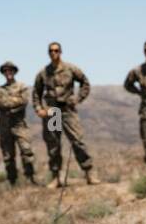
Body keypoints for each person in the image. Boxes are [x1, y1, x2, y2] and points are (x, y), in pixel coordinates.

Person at [32, 42, 99, 187]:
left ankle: (89, 172)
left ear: (61, 52)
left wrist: (77, 98)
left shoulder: (70, 69)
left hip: (67, 110)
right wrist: (39, 109)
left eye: (56, 50)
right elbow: (36, 93)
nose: (53, 53)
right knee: (54, 145)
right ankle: (56, 177)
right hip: (53, 112)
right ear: (48, 53)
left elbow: (85, 83)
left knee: (78, 141)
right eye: (51, 51)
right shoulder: (43, 73)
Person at [0, 61, 37, 186]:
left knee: (26, 151)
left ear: (14, 71)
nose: (8, 73)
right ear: (3, 73)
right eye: (6, 71)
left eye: (10, 70)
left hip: (19, 125)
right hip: (4, 126)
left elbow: (24, 101)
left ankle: (30, 178)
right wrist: (13, 101)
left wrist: (6, 103)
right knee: (8, 156)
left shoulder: (22, 86)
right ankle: (13, 182)